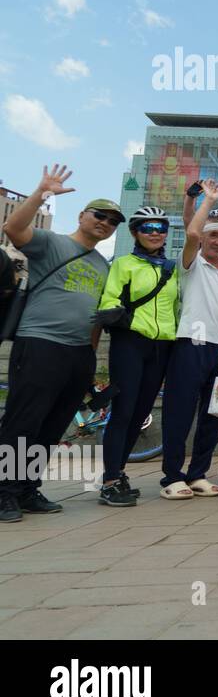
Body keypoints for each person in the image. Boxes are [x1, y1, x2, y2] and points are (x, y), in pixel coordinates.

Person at [0, 165, 116, 523]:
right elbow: (13, 229)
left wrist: (91, 355)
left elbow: (97, 313)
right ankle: (4, 491)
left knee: (53, 425)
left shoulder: (102, 265)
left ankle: (27, 488)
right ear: (82, 215)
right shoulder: (52, 243)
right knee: (23, 421)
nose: (105, 223)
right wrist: (42, 193)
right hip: (40, 343)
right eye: (100, 215)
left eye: (113, 221)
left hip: (78, 352)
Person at [96, 205, 180, 506]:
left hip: (161, 348)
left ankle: (119, 472)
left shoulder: (170, 269)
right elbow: (109, 302)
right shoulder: (123, 264)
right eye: (147, 227)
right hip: (130, 343)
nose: (155, 233)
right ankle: (109, 481)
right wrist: (130, 321)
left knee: (141, 413)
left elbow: (175, 309)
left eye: (160, 227)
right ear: (135, 233)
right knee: (123, 412)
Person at [159, 180, 218, 501]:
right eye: (213, 235)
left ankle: (198, 474)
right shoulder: (190, 264)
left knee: (214, 413)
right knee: (179, 411)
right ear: (203, 236)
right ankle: (171, 477)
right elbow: (191, 232)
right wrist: (208, 199)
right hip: (191, 342)